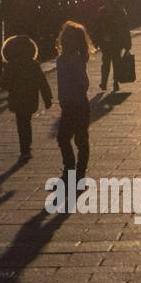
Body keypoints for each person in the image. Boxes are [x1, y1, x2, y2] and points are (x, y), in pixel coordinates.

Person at [0, 34, 52, 160]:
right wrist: (47, 98)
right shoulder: (34, 64)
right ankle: (26, 148)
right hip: (30, 97)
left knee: (21, 123)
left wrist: (5, 85)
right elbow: (42, 82)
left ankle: (24, 149)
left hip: (17, 98)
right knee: (26, 122)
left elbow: (4, 83)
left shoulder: (11, 64)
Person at [55, 20, 94, 180]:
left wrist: (74, 94)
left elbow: (84, 82)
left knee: (78, 139)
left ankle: (77, 171)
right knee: (65, 138)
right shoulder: (62, 59)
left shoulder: (74, 59)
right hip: (68, 104)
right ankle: (71, 169)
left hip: (77, 104)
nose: (65, 40)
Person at [93, 0, 132, 92]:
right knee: (106, 63)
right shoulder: (104, 12)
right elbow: (98, 28)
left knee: (114, 62)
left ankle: (114, 81)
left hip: (115, 42)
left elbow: (125, 28)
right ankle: (105, 82)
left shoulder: (117, 11)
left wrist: (127, 44)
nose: (106, 4)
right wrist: (97, 41)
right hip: (107, 43)